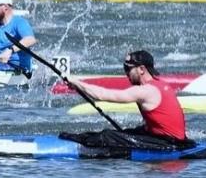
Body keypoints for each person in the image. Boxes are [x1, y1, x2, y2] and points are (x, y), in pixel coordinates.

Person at [59, 51, 190, 149]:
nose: (126, 73)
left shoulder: (145, 91)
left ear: (141, 69)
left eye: (128, 69)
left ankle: (69, 142)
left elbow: (102, 95)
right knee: (124, 133)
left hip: (169, 144)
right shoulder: (160, 83)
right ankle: (76, 138)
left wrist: (77, 82)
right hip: (169, 139)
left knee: (108, 136)